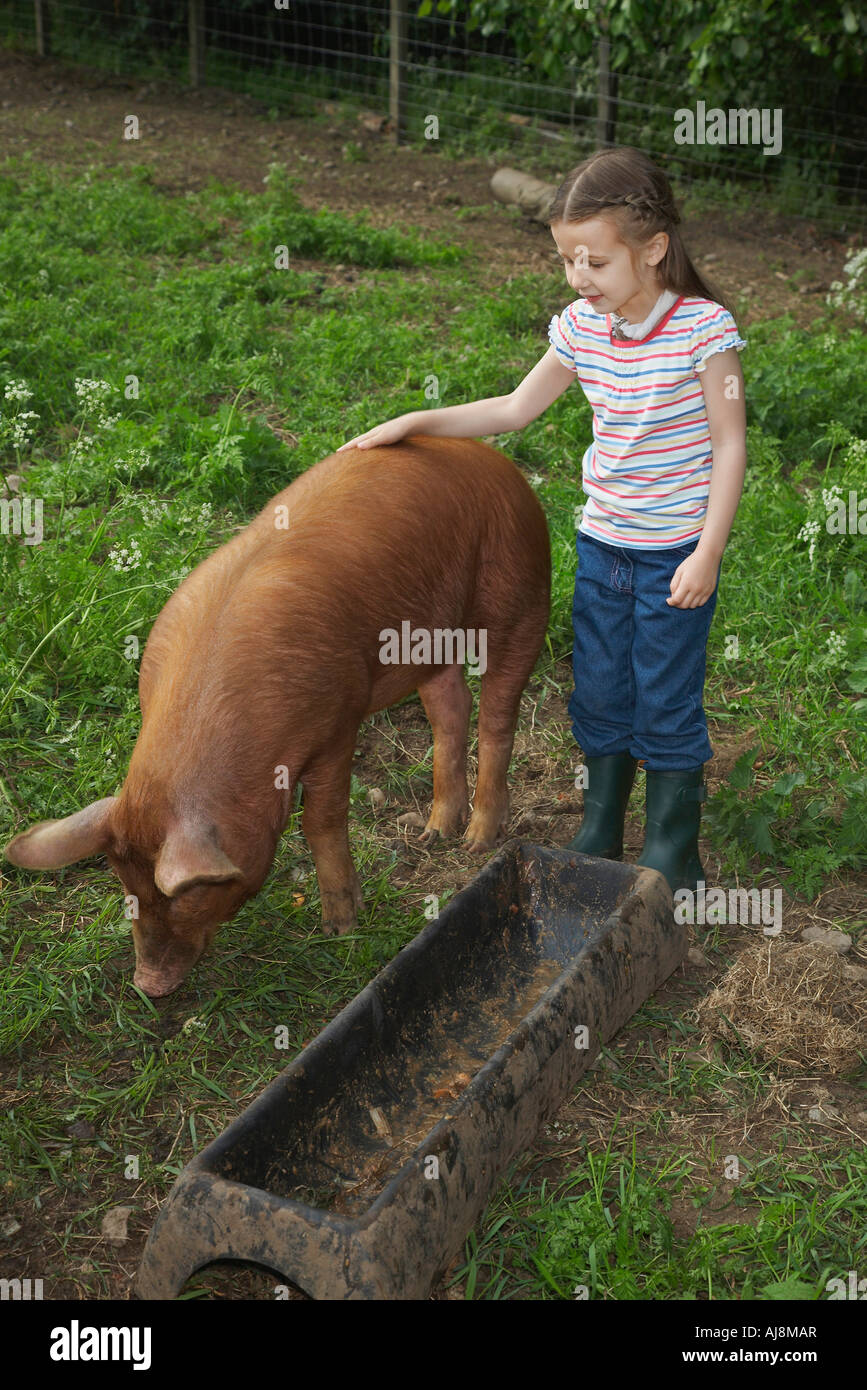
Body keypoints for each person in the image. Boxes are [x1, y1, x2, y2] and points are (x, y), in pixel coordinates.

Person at [338, 146, 747, 893]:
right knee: (596, 687)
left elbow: (729, 443)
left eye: (593, 261)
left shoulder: (700, 331)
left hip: (672, 554)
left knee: (662, 692)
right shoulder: (582, 329)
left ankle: (670, 846)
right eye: (566, 261)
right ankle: (601, 820)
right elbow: (513, 408)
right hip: (603, 546)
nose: (577, 278)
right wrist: (413, 420)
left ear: (652, 249)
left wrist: (707, 552)